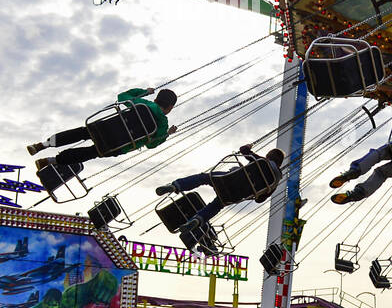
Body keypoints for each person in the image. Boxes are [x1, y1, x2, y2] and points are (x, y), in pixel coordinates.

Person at [29, 88, 177, 168]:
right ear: (170, 107)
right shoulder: (163, 124)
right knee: (90, 153)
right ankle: (49, 161)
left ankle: (42, 145)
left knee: (79, 133)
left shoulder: (143, 103)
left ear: (156, 98)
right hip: (117, 145)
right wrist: (167, 134)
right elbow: (152, 144)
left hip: (104, 128)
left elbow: (122, 96)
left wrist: (143, 91)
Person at [156, 144, 284, 227]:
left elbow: (243, 150)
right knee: (217, 204)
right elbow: (259, 200)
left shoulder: (261, 161)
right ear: (280, 164)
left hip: (226, 180)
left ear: (268, 156)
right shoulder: (275, 181)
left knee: (204, 178)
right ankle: (198, 220)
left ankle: (176, 186)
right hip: (236, 195)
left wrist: (249, 146)